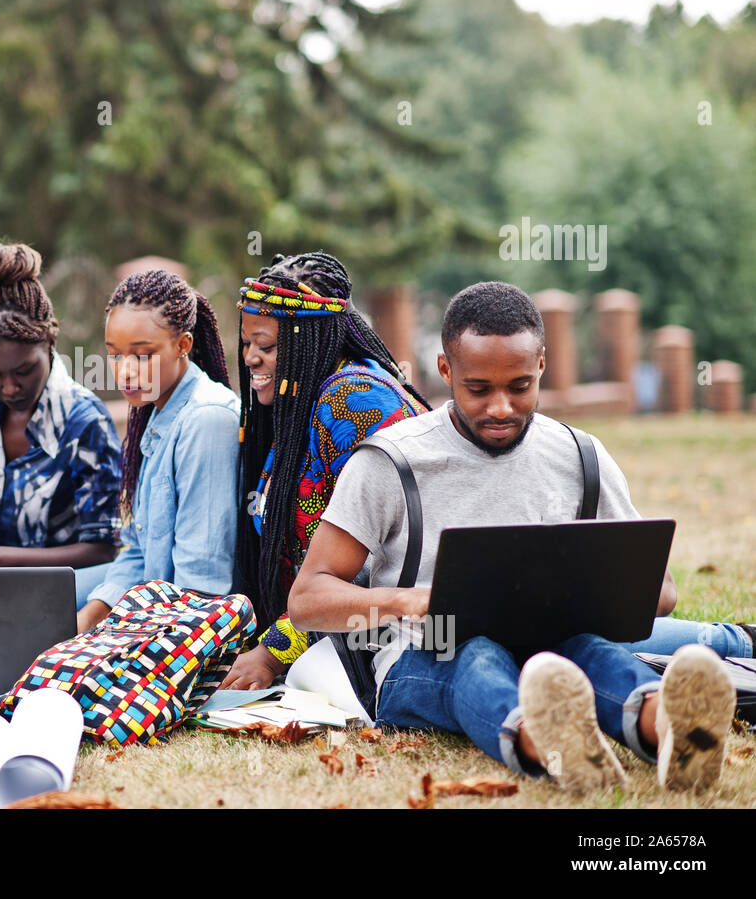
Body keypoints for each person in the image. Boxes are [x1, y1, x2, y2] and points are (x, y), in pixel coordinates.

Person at [287, 281, 736, 792]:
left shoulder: (581, 457)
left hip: (552, 646)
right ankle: (545, 744)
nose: (500, 407)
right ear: (445, 371)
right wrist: (414, 602)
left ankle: (670, 732)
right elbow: (307, 599)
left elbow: (662, 593)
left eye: (519, 386)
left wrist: (577, 599)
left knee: (596, 652)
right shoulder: (391, 461)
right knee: (475, 655)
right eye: (478, 389)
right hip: (423, 651)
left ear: (542, 365)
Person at [222, 252, 430, 689]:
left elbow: (360, 564)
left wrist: (273, 653)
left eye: (267, 346)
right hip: (324, 626)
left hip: (390, 633)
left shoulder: (356, 403)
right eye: (246, 344)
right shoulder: (304, 400)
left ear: (306, 340)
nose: (251, 359)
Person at [0, 243, 122, 570]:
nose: (9, 387)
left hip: (56, 588)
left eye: (24, 371)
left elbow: (102, 549)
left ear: (50, 341)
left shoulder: (85, 421)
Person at [73, 269, 240, 632]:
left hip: (183, 624)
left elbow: (201, 588)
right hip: (150, 598)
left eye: (142, 355)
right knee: (46, 605)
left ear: (183, 346)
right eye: (115, 356)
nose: (125, 372)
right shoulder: (158, 409)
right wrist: (92, 615)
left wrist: (116, 634)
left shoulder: (206, 419)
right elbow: (137, 548)